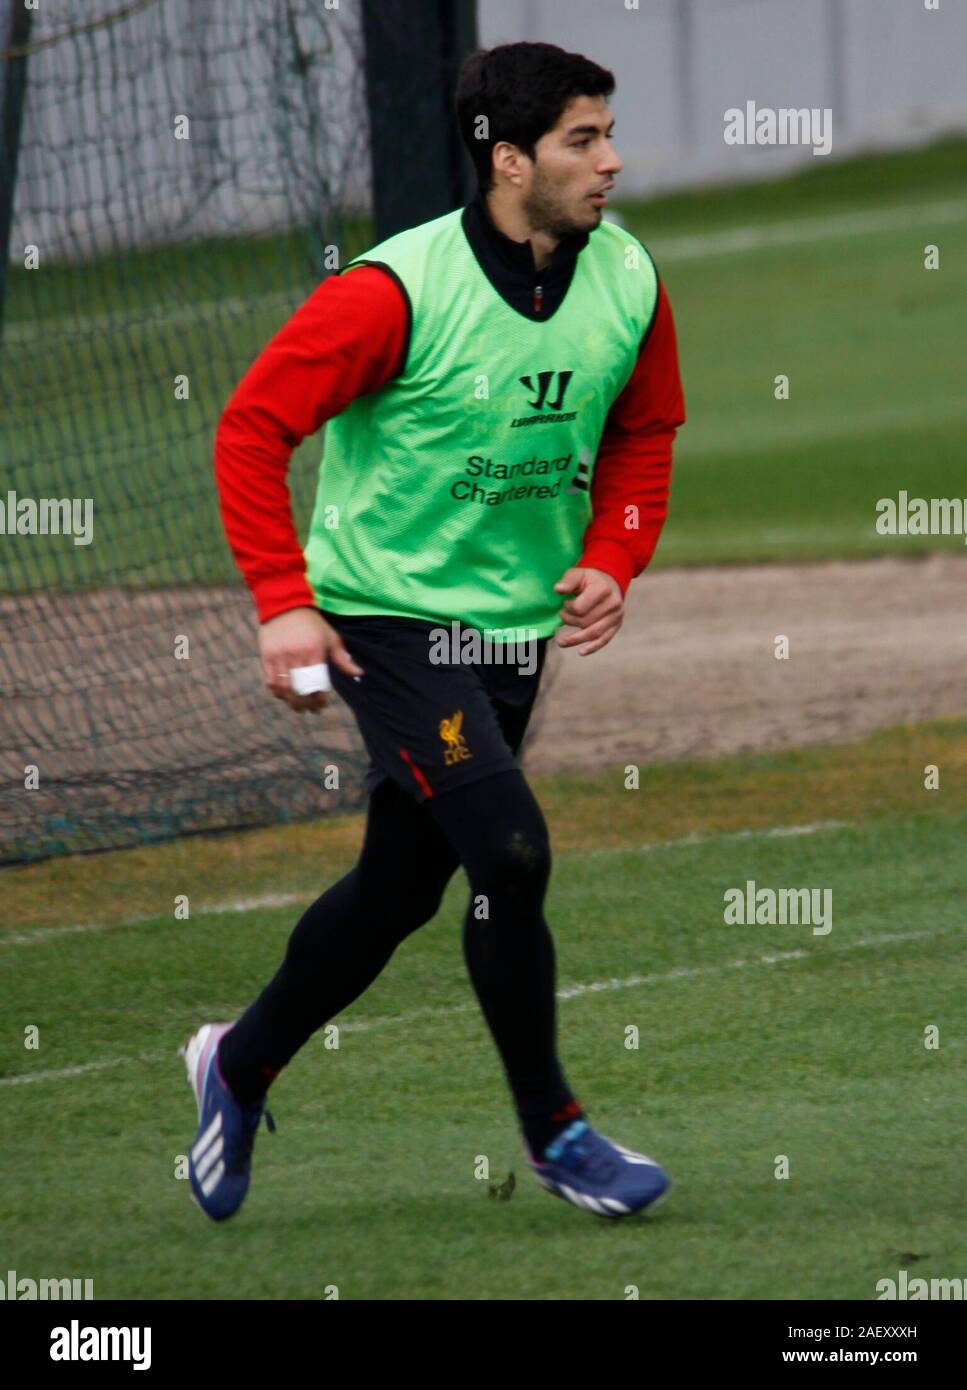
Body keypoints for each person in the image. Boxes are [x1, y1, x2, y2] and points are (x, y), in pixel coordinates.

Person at [184, 40, 686, 1222]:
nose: (610, 160)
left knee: (399, 892)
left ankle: (236, 1064)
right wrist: (283, 600)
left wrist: (613, 555)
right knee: (508, 848)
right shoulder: (388, 292)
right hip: (386, 620)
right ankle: (559, 1132)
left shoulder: (627, 278)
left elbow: (646, 432)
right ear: (507, 160)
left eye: (606, 133)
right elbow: (252, 428)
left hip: (514, 632)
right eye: (581, 139)